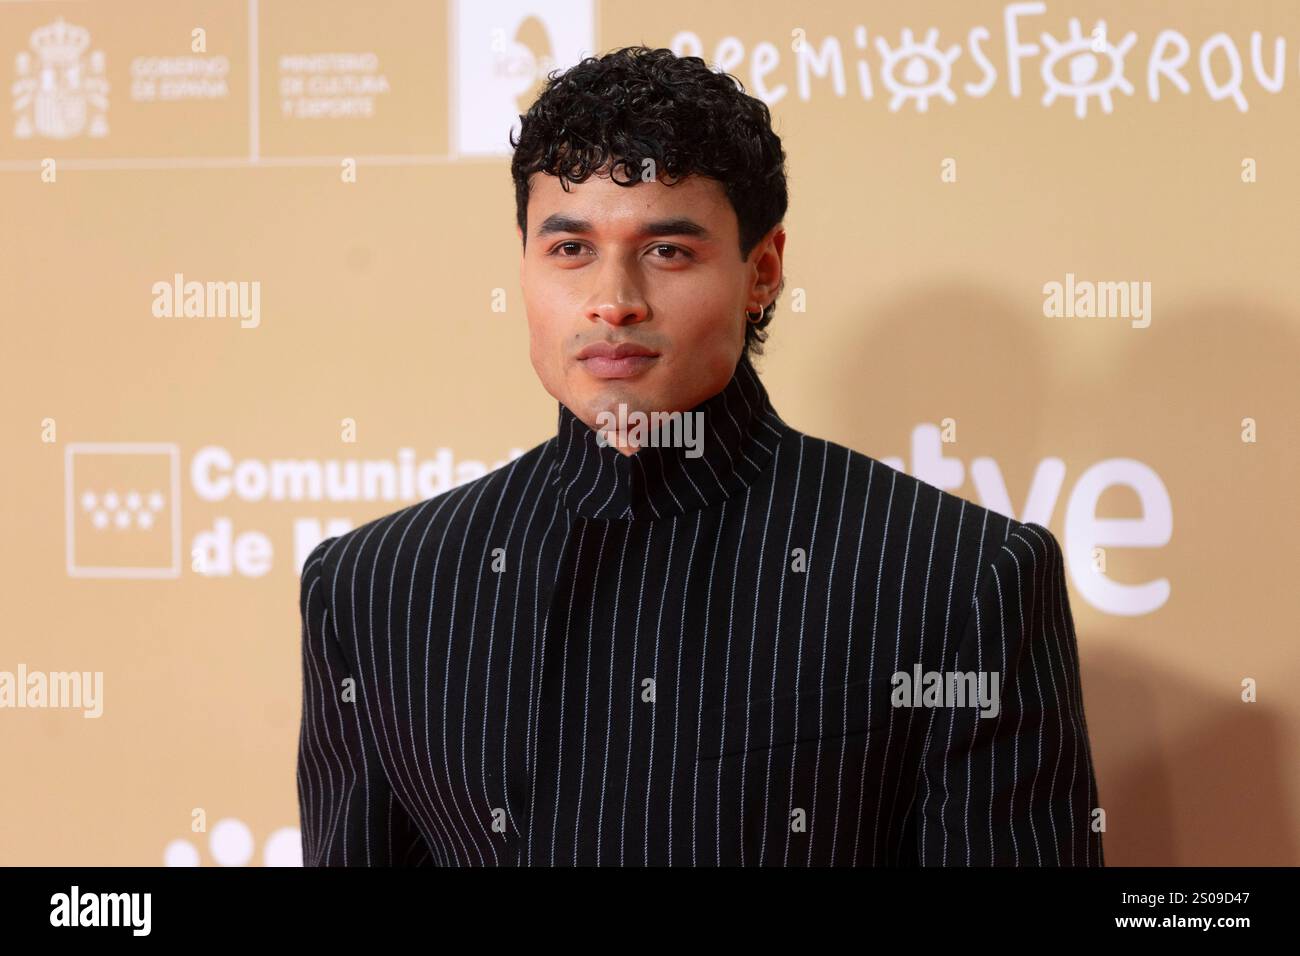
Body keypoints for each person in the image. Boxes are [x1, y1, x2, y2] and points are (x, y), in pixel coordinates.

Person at [296, 45, 1103, 867]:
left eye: (666, 251)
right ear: (526, 264)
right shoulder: (375, 589)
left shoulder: (959, 576)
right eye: (570, 249)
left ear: (764, 271)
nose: (613, 302)